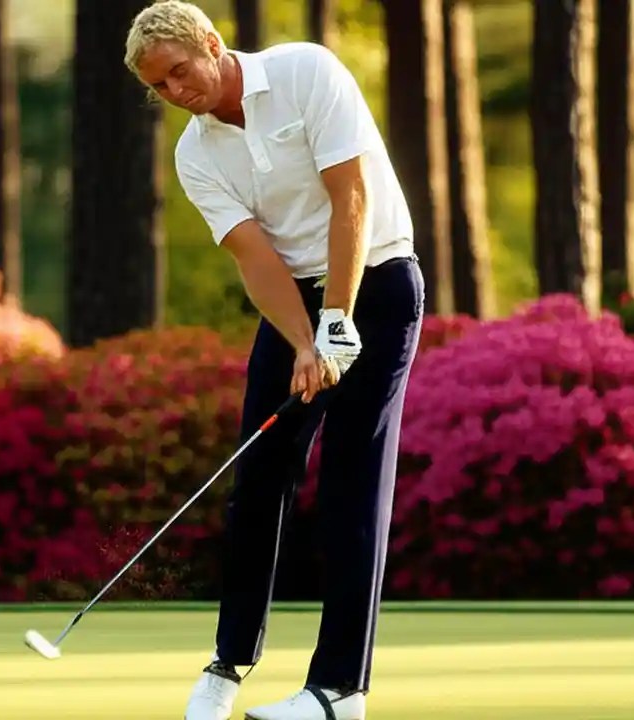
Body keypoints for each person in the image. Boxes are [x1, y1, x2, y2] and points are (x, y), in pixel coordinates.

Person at [123, 3, 425, 719]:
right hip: (294, 301)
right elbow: (256, 259)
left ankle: (339, 689)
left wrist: (338, 323)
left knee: (352, 481)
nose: (175, 91)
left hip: (376, 284)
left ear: (213, 44)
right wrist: (302, 341)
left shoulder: (305, 72)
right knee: (258, 477)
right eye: (159, 86)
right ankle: (228, 664)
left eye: (179, 70)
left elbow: (350, 198)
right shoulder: (194, 154)